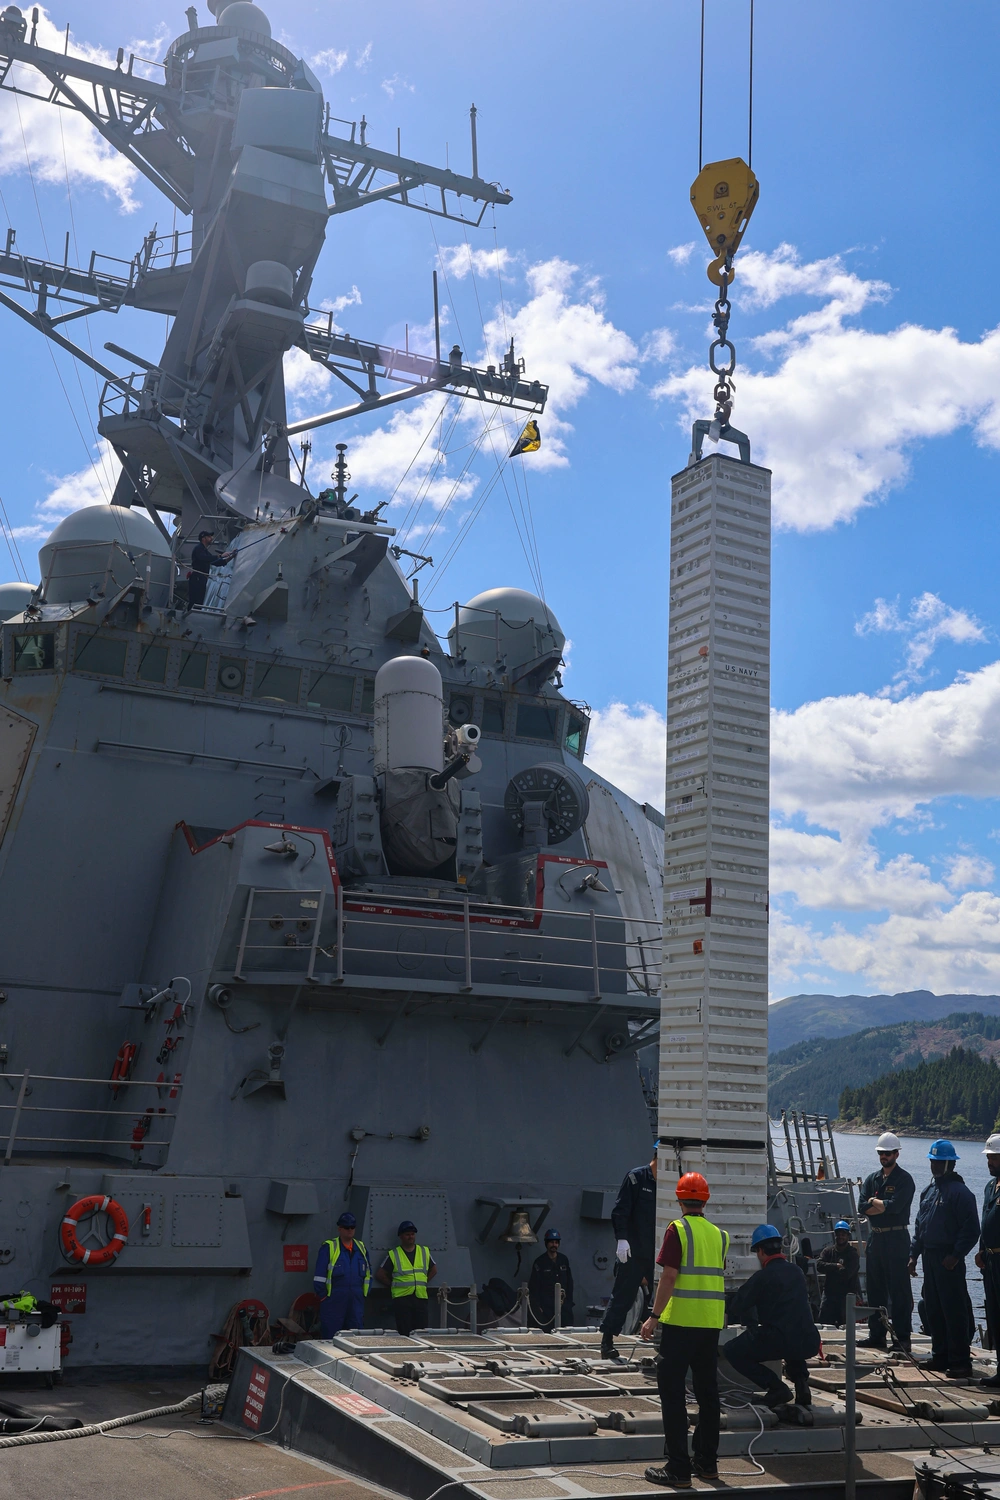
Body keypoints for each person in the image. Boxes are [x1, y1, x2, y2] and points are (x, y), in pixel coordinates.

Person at [640, 1172, 728, 1489]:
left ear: (679, 1199)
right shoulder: (720, 1235)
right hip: (710, 1325)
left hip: (680, 1326)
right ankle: (707, 1463)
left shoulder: (678, 1229)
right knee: (708, 1394)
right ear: (705, 1200)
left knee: (673, 1394)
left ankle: (678, 1467)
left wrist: (653, 1316)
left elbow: (669, 1277)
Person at [724, 1224, 821, 1410]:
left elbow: (738, 1306)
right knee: (792, 1336)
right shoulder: (796, 1272)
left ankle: (776, 1388)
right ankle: (802, 1387)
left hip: (781, 1339)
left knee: (732, 1351)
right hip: (809, 1340)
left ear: (760, 1251)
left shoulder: (763, 1277)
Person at [908, 1139, 980, 1379]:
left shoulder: (961, 1193)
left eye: (940, 1162)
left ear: (951, 1163)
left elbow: (971, 1229)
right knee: (933, 1308)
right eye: (933, 1161)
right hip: (929, 1256)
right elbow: (920, 1227)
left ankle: (960, 1360)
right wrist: (913, 1255)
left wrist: (956, 1255)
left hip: (948, 1258)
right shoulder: (928, 1191)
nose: (935, 1166)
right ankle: (940, 1356)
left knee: (954, 1310)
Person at [857, 1131, 916, 1352]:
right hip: (876, 1237)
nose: (884, 1157)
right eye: (881, 1153)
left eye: (888, 1153)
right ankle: (877, 1335)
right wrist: (879, 1204)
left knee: (899, 1290)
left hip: (896, 1237)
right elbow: (862, 1207)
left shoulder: (905, 1179)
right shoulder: (873, 1178)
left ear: (896, 1154)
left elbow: (896, 1207)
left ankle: (902, 1338)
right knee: (875, 1289)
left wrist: (875, 1202)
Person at [601, 1141, 658, 1359]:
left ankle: (663, 1342)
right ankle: (606, 1342)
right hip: (633, 1251)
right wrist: (621, 1240)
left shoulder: (669, 1183)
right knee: (622, 1297)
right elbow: (620, 1211)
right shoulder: (636, 1178)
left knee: (662, 1298)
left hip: (656, 1252)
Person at [313, 1212, 371, 1338]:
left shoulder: (361, 1248)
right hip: (333, 1300)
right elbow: (319, 1276)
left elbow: (368, 1274)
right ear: (340, 1229)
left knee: (355, 1335)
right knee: (331, 1335)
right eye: (346, 1227)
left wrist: (364, 1294)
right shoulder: (329, 1247)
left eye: (352, 1227)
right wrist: (324, 1297)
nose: (349, 1230)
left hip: (355, 1300)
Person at [375, 1220, 437, 1335]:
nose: (411, 1237)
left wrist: (422, 1282)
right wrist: (394, 1285)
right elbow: (380, 1274)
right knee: (405, 1331)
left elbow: (434, 1270)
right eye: (407, 1234)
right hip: (402, 1299)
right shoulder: (394, 1254)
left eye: (412, 1234)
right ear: (401, 1236)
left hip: (420, 1298)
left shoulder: (423, 1251)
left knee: (422, 1331)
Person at [977, 1134, 1000, 1388]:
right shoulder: (989, 1188)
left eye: (994, 1157)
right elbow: (987, 1222)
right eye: (989, 1158)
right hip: (991, 1260)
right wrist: (982, 1250)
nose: (990, 1162)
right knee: (994, 1316)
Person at [528, 1229, 574, 1329]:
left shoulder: (563, 1260)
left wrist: (569, 1302)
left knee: (567, 1330)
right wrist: (538, 1305)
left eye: (556, 1242)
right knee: (548, 1331)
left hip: (564, 1305)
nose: (554, 1245)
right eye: (551, 1242)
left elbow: (569, 1282)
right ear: (546, 1243)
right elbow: (534, 1285)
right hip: (547, 1306)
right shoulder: (540, 1262)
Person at [817, 1221, 860, 1325]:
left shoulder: (852, 1254)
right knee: (824, 1323)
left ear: (848, 1236)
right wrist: (836, 1266)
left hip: (846, 1296)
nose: (840, 1237)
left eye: (843, 1234)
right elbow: (819, 1266)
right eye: (838, 1234)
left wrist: (830, 1269)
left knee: (846, 1325)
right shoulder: (828, 1251)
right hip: (829, 1294)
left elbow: (847, 1273)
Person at [187, 529, 232, 610]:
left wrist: (230, 557)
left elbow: (215, 562)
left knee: (199, 601)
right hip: (197, 577)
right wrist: (220, 556)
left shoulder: (204, 551)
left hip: (201, 578)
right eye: (209, 536)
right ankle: (191, 616)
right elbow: (204, 558)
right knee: (195, 600)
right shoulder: (199, 548)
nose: (211, 538)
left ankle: (194, 616)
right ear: (203, 538)